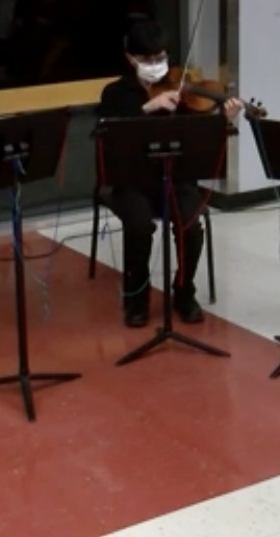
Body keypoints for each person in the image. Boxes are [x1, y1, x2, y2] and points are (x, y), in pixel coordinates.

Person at [96, 21, 243, 328]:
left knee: (191, 225)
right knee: (139, 226)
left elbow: (201, 136)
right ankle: (136, 297)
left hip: (174, 177)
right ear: (131, 58)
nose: (156, 65)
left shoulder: (180, 88)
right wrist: (148, 107)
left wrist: (222, 118)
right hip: (129, 181)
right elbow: (107, 133)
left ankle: (184, 291)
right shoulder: (115, 93)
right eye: (147, 60)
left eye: (160, 57)